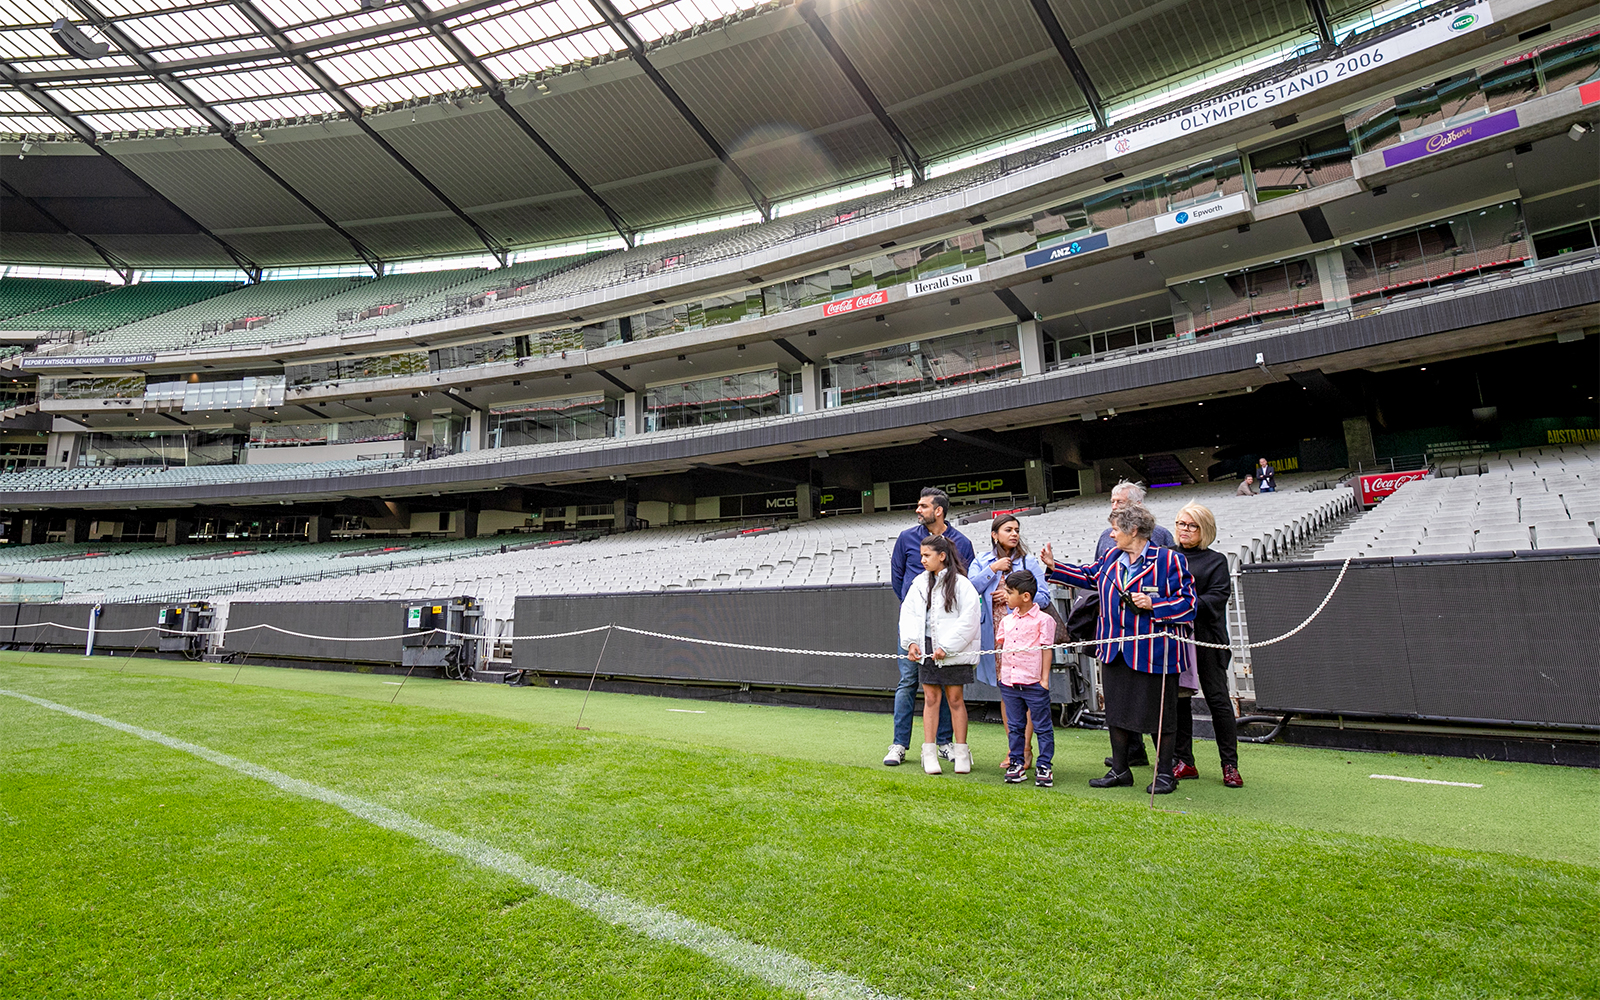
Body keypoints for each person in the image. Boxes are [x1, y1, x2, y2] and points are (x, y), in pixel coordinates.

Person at [1041, 503, 1196, 794]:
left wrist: (1154, 604)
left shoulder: (1169, 560)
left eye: (1115, 530)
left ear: (1133, 530)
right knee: (1117, 713)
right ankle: (1120, 770)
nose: (1111, 536)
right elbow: (1089, 577)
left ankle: (1164, 774)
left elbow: (1189, 604)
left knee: (1160, 715)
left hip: (1154, 654)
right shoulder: (1112, 557)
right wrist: (1054, 566)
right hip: (1115, 651)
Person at [1070, 481, 1174, 770]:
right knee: (1118, 704)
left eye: (1119, 502)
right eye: (1112, 501)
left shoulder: (1162, 541)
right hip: (1114, 638)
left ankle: (1166, 768)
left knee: (1154, 707)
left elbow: (1178, 594)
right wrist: (1056, 568)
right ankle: (1128, 757)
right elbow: (1095, 575)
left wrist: (1154, 604)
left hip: (1150, 641)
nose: (1113, 506)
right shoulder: (1108, 541)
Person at [884, 488, 976, 766]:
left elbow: (964, 584)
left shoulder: (962, 542)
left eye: (923, 506)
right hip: (914, 628)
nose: (917, 510)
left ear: (939, 510)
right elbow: (898, 578)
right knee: (908, 682)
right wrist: (918, 616)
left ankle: (946, 743)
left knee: (946, 687)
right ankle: (899, 744)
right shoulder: (905, 539)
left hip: (948, 631)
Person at [969, 513, 1053, 770]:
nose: (1014, 534)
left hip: (1027, 637)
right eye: (1008, 529)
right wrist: (992, 570)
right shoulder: (982, 560)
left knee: (1027, 691)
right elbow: (968, 591)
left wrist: (1017, 599)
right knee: (1008, 693)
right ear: (995, 534)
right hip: (994, 634)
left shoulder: (1028, 561)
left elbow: (1045, 598)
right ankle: (1014, 748)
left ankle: (1026, 750)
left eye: (1017, 529)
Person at [1170, 504, 1244, 788]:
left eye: (1191, 525)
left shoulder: (1216, 560)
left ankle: (1230, 765)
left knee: (1218, 701)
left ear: (1205, 530)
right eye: (1181, 524)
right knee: (1179, 700)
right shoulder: (1168, 556)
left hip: (1208, 638)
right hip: (1177, 639)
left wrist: (1179, 606)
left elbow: (1216, 598)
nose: (1184, 530)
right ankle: (1185, 761)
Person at [898, 533, 979, 775]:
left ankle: (962, 751)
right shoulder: (918, 583)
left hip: (954, 651)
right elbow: (909, 614)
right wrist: (912, 643)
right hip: (927, 649)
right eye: (921, 555)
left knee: (955, 700)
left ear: (942, 556)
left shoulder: (963, 584)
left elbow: (970, 619)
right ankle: (929, 752)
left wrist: (948, 647)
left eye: (927, 555)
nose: (922, 560)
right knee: (931, 699)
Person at [995, 569, 1056, 788]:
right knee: (1015, 725)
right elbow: (1003, 648)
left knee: (1042, 726)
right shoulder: (1007, 621)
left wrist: (1044, 679)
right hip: (1010, 683)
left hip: (1033, 683)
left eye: (1009, 592)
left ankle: (1044, 765)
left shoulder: (1044, 620)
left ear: (1026, 596)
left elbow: (1047, 649)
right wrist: (1003, 675)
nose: (1006, 595)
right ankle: (1017, 763)